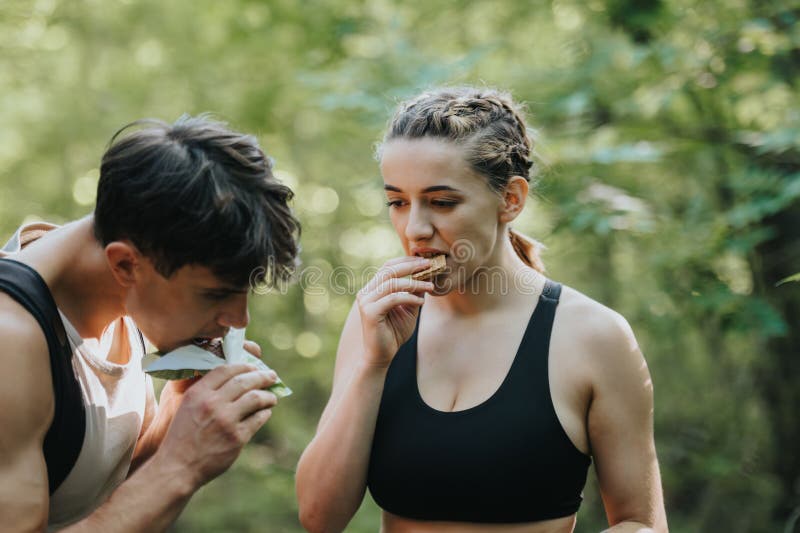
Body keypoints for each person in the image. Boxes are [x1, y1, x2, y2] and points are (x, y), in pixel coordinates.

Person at [296, 87, 668, 532]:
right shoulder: (377, 323)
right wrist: (373, 366)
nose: (415, 228)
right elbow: (319, 517)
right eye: (397, 202)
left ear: (511, 199)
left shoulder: (595, 336)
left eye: (442, 202)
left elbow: (640, 524)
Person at [0, 115, 301, 531]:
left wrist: (169, 427)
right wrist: (180, 467)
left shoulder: (129, 297)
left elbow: (90, 500)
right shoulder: (10, 342)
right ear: (125, 264)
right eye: (215, 295)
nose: (239, 320)